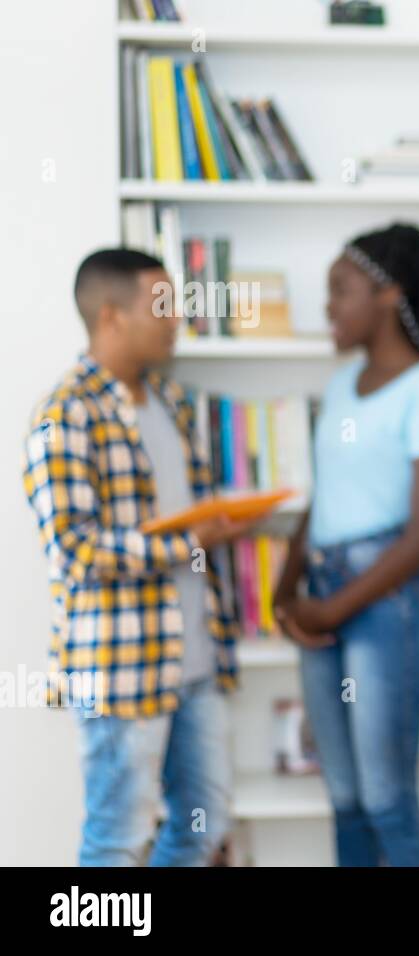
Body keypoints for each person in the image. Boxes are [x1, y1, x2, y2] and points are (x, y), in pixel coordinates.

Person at [22, 248, 254, 866]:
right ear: (111, 316)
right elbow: (74, 548)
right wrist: (192, 541)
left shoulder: (173, 405)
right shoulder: (63, 415)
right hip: (121, 669)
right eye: (163, 304)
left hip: (197, 662)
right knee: (117, 839)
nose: (178, 316)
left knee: (204, 827)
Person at [273, 222, 419, 867]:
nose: (327, 307)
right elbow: (322, 498)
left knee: (387, 799)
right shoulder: (339, 386)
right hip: (324, 591)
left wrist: (329, 611)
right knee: (347, 799)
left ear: (388, 294)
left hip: (386, 603)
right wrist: (285, 589)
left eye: (339, 290)